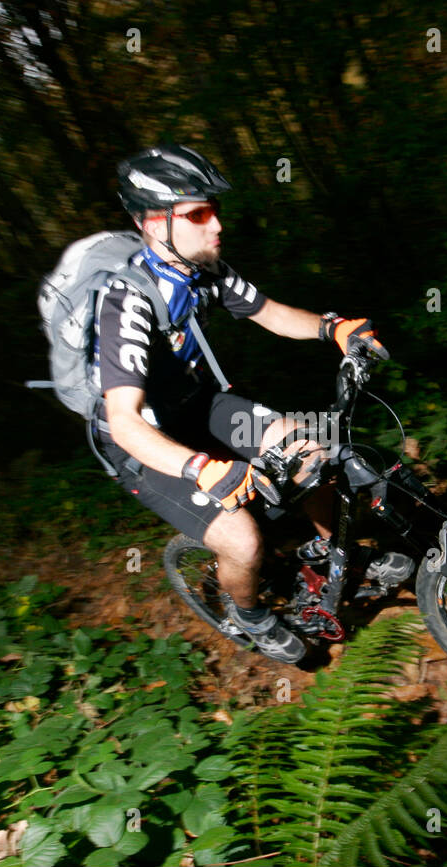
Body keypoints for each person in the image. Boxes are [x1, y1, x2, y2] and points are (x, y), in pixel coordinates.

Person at [90, 144, 388, 663]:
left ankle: (335, 553)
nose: (216, 225)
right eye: (198, 214)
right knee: (243, 539)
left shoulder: (201, 269)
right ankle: (248, 615)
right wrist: (201, 468)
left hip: (196, 403)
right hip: (140, 441)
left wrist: (331, 327)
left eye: (215, 210)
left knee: (311, 451)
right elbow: (124, 421)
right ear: (155, 225)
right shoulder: (125, 302)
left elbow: (269, 313)